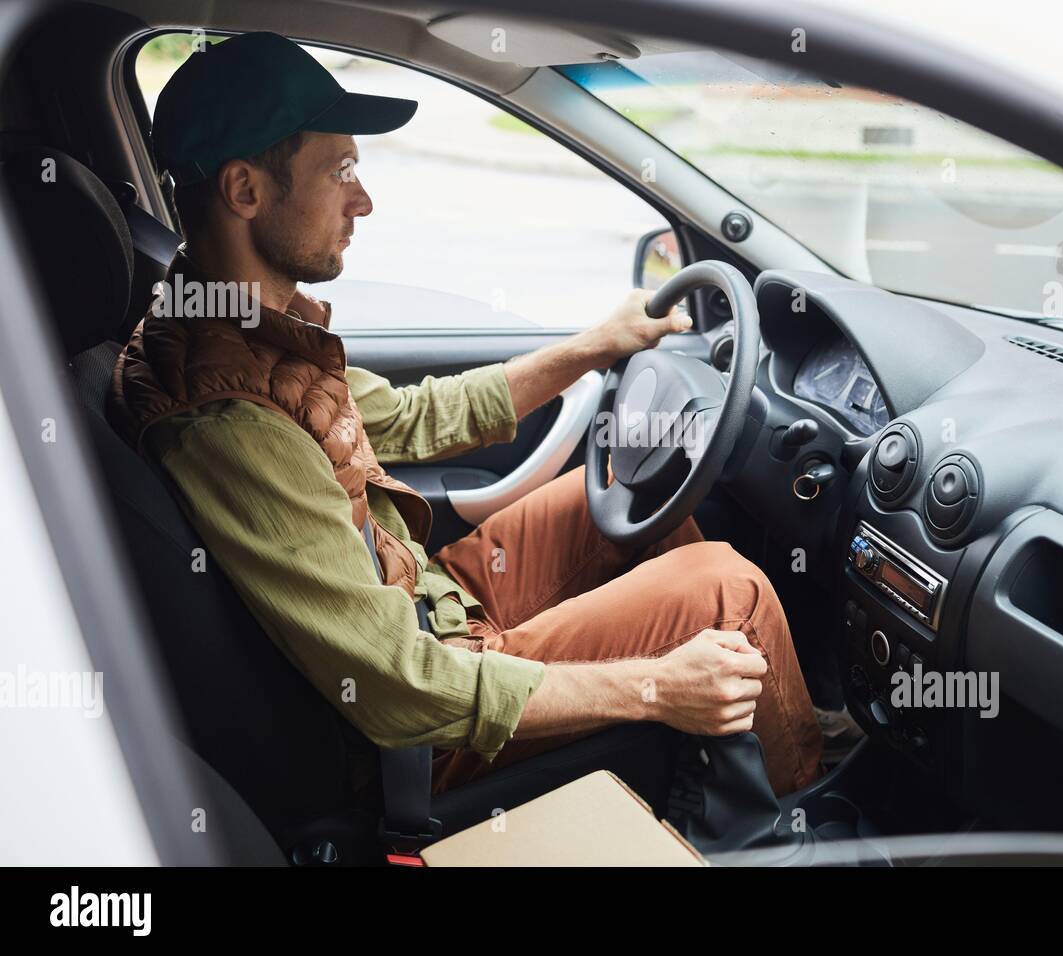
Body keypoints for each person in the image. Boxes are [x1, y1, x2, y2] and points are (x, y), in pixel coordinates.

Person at [109, 31, 823, 797]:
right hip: (415, 733)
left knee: (624, 493)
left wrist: (594, 346)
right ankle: (810, 813)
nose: (364, 199)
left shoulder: (248, 335)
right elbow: (398, 687)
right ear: (246, 192)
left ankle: (731, 754)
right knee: (727, 592)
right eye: (339, 170)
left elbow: (417, 418)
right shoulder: (227, 423)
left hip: (426, 599)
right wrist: (655, 686)